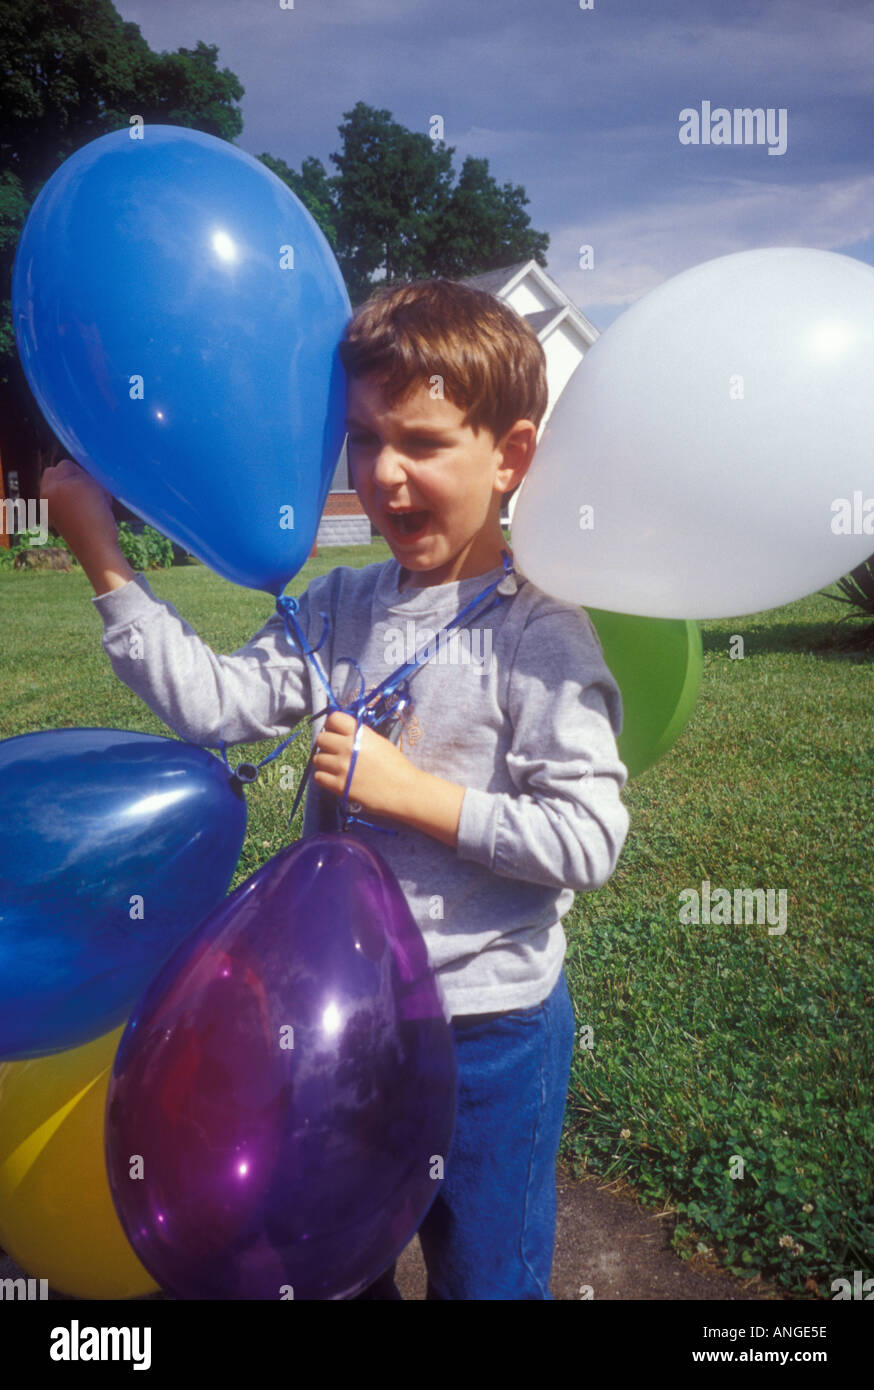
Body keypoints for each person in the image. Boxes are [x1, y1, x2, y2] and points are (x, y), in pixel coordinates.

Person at [40, 277, 630, 1300]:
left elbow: (587, 838)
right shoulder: (340, 605)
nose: (385, 474)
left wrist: (412, 793)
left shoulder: (540, 633)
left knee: (487, 1275)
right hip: (344, 1022)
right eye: (362, 439)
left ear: (510, 456)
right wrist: (102, 555)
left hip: (491, 1030)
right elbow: (218, 704)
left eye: (422, 442)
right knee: (333, 1260)